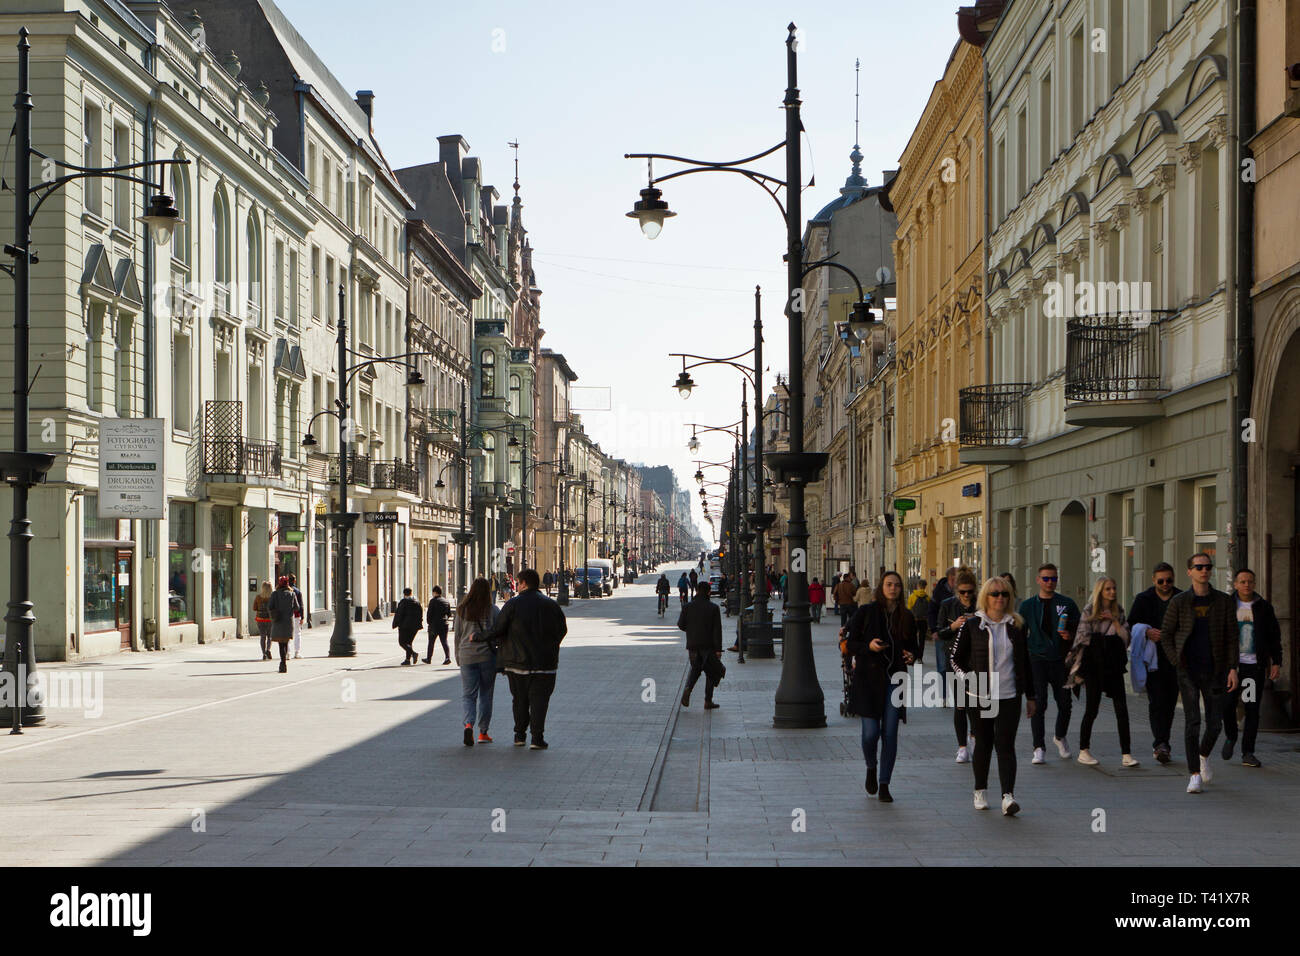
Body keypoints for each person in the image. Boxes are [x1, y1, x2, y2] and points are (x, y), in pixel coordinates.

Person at [951, 577, 1036, 816]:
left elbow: (1025, 662)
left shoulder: (1017, 625)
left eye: (1005, 594)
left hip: (1009, 694)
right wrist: (968, 678)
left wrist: (1031, 695)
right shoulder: (972, 625)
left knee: (1006, 745)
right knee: (984, 743)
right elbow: (954, 659)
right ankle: (980, 790)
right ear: (985, 597)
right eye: (995, 594)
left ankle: (1008, 797)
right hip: (980, 695)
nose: (1000, 598)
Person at [1160, 553, 1239, 794]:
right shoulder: (1180, 602)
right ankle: (1194, 773)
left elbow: (1232, 637)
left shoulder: (1223, 601)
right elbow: (1166, 634)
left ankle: (1203, 755)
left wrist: (1233, 668)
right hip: (1188, 670)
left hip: (1215, 670)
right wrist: (1176, 660)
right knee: (1192, 721)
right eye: (1199, 567)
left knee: (1215, 723)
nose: (1204, 570)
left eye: (1207, 567)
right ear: (1190, 572)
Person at [842, 571, 918, 804]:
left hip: (895, 680)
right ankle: (871, 766)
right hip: (868, 680)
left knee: (890, 733)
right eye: (888, 584)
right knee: (870, 733)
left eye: (896, 585)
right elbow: (850, 644)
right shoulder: (866, 612)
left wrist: (911, 655)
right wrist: (869, 646)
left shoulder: (907, 616)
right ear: (880, 587)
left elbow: (914, 647)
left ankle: (884, 783)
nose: (893, 588)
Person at [482, 568, 567, 750]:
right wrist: (551, 646)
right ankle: (537, 738)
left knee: (519, 699)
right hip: (545, 664)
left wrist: (481, 637)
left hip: (517, 663)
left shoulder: (513, 604)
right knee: (540, 701)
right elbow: (562, 630)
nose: (517, 587)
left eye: (518, 583)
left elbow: (498, 629)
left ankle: (519, 735)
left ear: (524, 583)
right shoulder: (551, 605)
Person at [1067, 577, 1138, 768]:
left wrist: (1114, 621)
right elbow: (1081, 637)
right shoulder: (1089, 610)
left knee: (1121, 708)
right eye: (1108, 589)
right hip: (1094, 664)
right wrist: (1095, 626)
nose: (1112, 592)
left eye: (1114, 588)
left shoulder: (1119, 611)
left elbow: (1126, 638)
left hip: (1113, 664)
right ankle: (1084, 750)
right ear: (1100, 591)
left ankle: (1126, 753)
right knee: (1092, 707)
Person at [1019, 563, 1080, 764]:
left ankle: (1060, 736)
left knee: (1065, 703)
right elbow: (1019, 633)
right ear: (1038, 580)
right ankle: (1038, 747)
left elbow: (1080, 631)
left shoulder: (1067, 603)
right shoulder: (1027, 606)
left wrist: (1069, 635)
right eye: (1046, 578)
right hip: (1036, 659)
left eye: (1053, 578)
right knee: (1039, 703)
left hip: (1060, 660)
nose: (1050, 582)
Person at [1223, 569, 1282, 768]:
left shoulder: (1263, 608)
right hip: (1232, 667)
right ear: (1236, 585)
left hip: (1252, 668)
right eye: (1243, 581)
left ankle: (1248, 752)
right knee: (1228, 705)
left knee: (1251, 708)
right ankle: (1231, 736)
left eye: (1250, 581)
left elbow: (1274, 636)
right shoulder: (1227, 606)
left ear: (1254, 584)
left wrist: (1276, 661)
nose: (1247, 585)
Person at [1129, 562, 1181, 764]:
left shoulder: (1180, 597)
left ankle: (1164, 741)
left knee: (1169, 702)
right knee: (1157, 701)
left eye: (1169, 580)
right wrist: (1146, 632)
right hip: (1152, 660)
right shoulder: (1144, 599)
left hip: (1174, 658)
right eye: (1161, 581)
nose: (1165, 584)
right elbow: (1132, 623)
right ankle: (1160, 743)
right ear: (1154, 580)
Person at [936, 569, 979, 762]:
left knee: (977, 704)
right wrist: (953, 627)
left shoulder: (981, 604)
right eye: (962, 592)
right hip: (954, 660)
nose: (967, 596)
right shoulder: (948, 605)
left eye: (970, 591)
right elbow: (939, 633)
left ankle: (974, 736)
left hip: (977, 661)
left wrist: (977, 621)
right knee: (961, 704)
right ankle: (962, 747)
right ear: (956, 591)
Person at [456, 578, 500, 747]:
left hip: (467, 656)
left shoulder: (462, 609)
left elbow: (458, 636)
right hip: (487, 657)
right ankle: (483, 732)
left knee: (468, 695)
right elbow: (498, 632)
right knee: (486, 695)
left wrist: (458, 657)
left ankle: (468, 724)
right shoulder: (492, 610)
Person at [678, 581, 724, 709]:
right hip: (708, 646)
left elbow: (681, 625)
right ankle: (708, 701)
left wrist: (692, 630)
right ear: (709, 592)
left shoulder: (687, 607)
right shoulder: (713, 608)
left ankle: (688, 688)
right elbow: (717, 630)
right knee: (711, 672)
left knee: (696, 669)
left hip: (692, 645)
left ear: (697, 591)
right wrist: (718, 649)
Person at [267, 576, 298, 673]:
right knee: (285, 642)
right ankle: (284, 663)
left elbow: (270, 606)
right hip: (288, 622)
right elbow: (297, 607)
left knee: (281, 644)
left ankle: (283, 663)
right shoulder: (292, 594)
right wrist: (289, 610)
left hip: (278, 621)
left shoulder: (275, 594)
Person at [391, 588, 423, 665]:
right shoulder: (417, 602)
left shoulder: (403, 602)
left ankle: (413, 654)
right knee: (409, 642)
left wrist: (395, 623)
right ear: (411, 593)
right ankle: (407, 660)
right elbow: (420, 613)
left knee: (402, 642)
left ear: (404, 594)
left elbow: (399, 614)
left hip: (405, 626)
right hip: (415, 626)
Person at [424, 586, 452, 664]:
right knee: (444, 641)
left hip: (434, 625)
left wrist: (429, 623)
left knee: (431, 642)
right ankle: (447, 658)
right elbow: (449, 614)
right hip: (444, 624)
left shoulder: (433, 601)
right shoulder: (446, 601)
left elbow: (429, 614)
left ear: (435, 592)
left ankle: (429, 659)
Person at [928, 568, 957, 641]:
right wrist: (934, 630)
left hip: (957, 632)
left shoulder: (962, 591)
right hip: (942, 631)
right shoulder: (939, 591)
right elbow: (932, 611)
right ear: (950, 577)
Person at [907, 577, 930, 661]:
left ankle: (913, 655)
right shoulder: (928, 597)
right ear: (925, 586)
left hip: (914, 620)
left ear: (918, 585)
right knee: (922, 639)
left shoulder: (912, 596)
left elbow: (909, 608)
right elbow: (929, 610)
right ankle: (920, 658)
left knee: (913, 638)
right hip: (923, 621)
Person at [253, 581, 273, 660]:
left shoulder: (258, 597)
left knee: (262, 636)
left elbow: (254, 608)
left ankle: (263, 653)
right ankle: (268, 649)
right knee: (270, 636)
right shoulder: (272, 597)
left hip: (260, 619)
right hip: (269, 619)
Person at [288, 573, 305, 659]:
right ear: (294, 580)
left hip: (287, 615)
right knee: (297, 633)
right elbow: (301, 605)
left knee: (287, 633)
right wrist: (302, 616)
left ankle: (288, 653)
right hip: (296, 615)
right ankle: (297, 652)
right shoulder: (297, 591)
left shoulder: (286, 591)